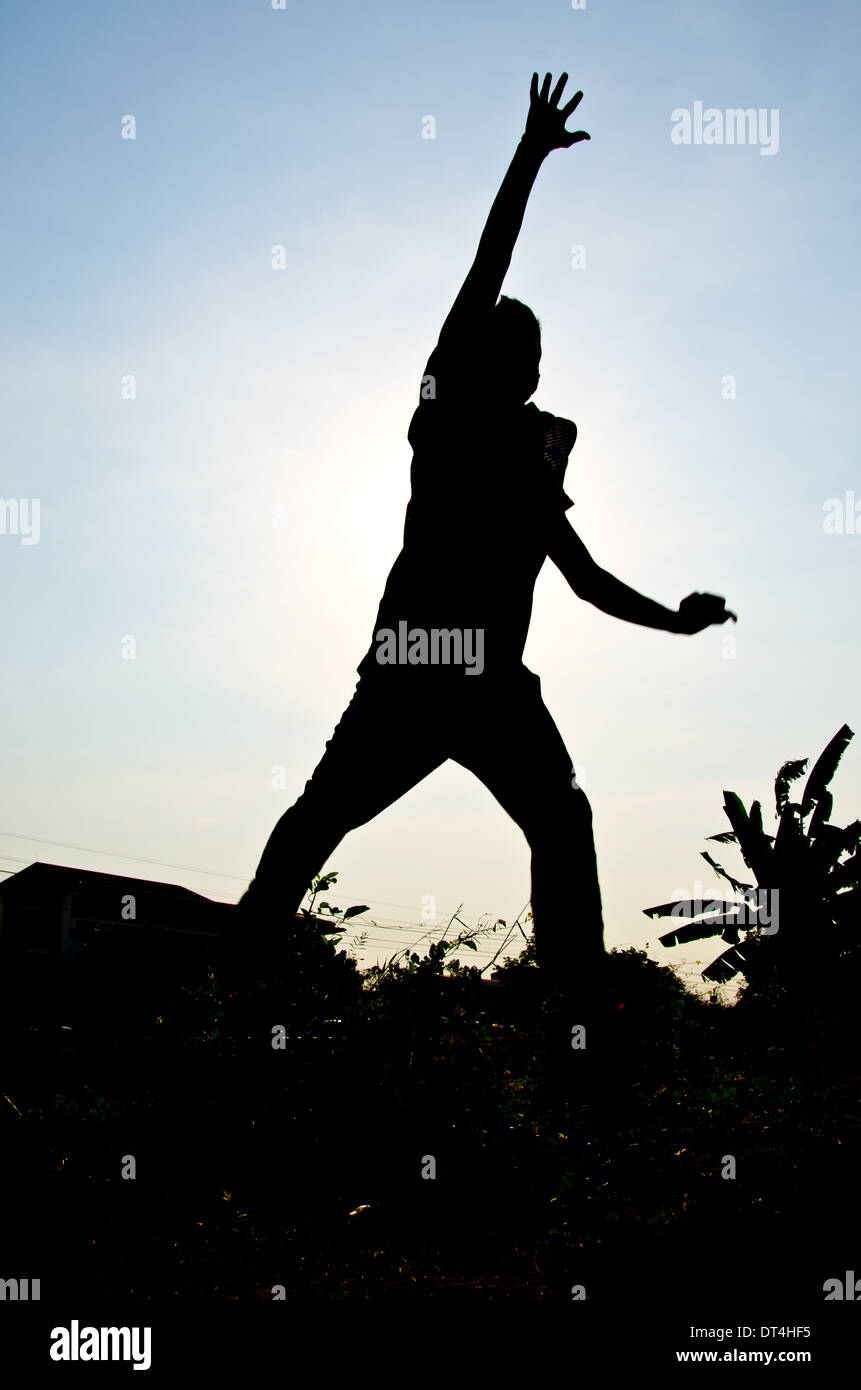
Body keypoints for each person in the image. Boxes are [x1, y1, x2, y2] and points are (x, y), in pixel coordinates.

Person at [232, 73, 736, 986]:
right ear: (477, 360)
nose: (531, 369)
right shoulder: (446, 409)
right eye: (515, 354)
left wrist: (674, 618)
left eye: (536, 358)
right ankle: (235, 975)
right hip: (421, 657)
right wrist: (528, 156)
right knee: (320, 817)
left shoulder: (533, 460)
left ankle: (572, 1010)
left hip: (490, 678)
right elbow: (484, 270)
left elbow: (582, 577)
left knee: (559, 819)